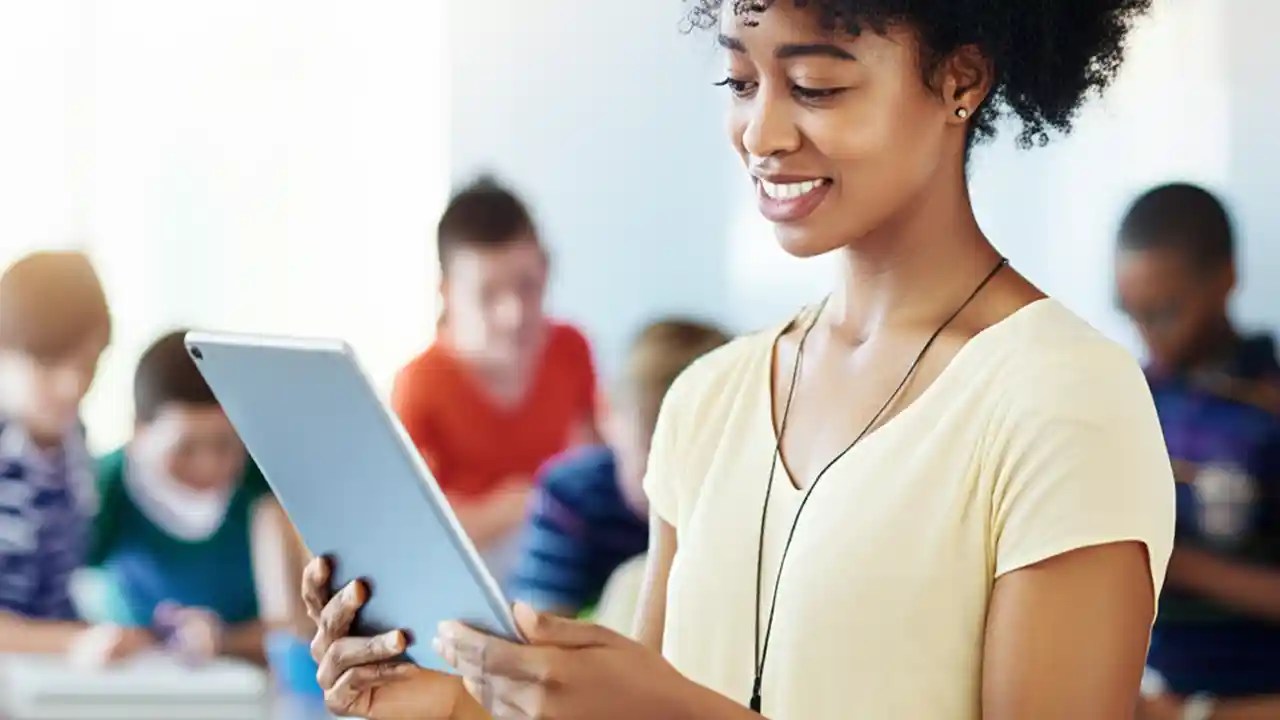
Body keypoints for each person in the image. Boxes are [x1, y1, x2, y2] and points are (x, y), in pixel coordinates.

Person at [303, 2, 1177, 718]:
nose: (760, 132)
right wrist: (446, 702)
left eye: (814, 85)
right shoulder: (710, 398)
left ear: (962, 79)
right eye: (741, 80)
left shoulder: (1064, 399)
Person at [1116, 184, 1280, 719]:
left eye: (1165, 313)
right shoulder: (1128, 398)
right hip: (1147, 691)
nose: (1148, 337)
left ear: (1226, 279)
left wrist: (1173, 564)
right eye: (1132, 313)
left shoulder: (1268, 405)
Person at [392, 177, 599, 576]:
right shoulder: (418, 386)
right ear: (448, 292)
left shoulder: (571, 349)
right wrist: (526, 501)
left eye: (528, 286)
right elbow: (415, 530)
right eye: (487, 294)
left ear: (545, 268)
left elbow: (595, 465)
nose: (514, 314)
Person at [509, 319, 729, 621]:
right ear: (608, 415)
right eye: (648, 466)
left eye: (700, 470)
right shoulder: (571, 495)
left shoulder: (744, 499)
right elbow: (537, 629)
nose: (670, 495)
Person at [0, 250, 153, 662]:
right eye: (48, 366)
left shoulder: (73, 442)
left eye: (88, 365)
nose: (73, 386)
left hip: (47, 678)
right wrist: (70, 641)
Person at [88, 330, 274, 663]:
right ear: (138, 432)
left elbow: (298, 628)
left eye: (225, 445)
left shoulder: (268, 488)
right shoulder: (101, 486)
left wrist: (225, 640)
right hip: (137, 677)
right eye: (185, 448)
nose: (209, 466)